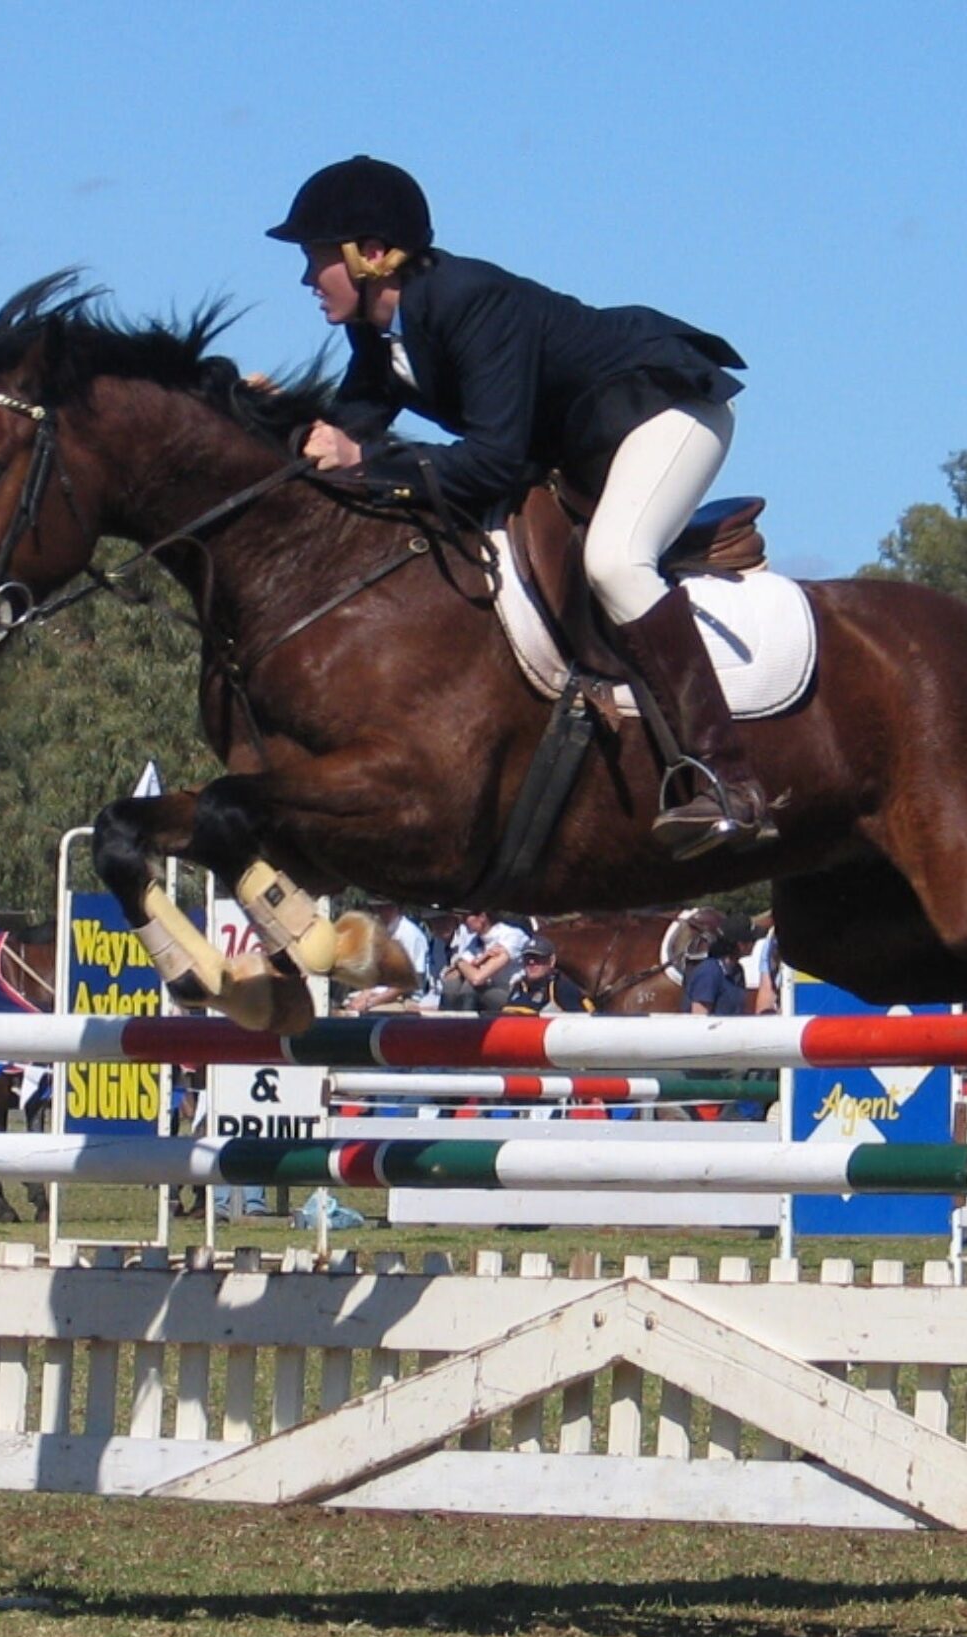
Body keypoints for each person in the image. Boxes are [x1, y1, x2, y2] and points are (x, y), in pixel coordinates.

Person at [267, 154, 775, 860]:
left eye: (314, 259)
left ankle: (729, 782)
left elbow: (493, 461)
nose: (304, 278)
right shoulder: (378, 333)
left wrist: (366, 460)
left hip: (660, 411)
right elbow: (346, 431)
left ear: (372, 255)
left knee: (615, 563)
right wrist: (270, 427)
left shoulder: (468, 300)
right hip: (588, 447)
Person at [338, 899, 437, 1015]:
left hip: (407, 999)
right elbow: (376, 975)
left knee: (367, 1014)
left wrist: (370, 1003)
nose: (378, 913)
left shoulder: (410, 935)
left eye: (384, 907)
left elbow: (407, 984)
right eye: (376, 908)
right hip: (380, 994)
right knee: (344, 1008)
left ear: (396, 908)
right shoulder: (381, 932)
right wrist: (363, 997)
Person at [437, 909, 530, 1015]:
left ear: (482, 917)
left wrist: (459, 961)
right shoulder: (475, 940)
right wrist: (472, 962)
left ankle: (464, 1026)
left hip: (512, 996)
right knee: (452, 983)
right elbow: (450, 975)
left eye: (465, 917)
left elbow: (477, 978)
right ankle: (443, 1024)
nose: (462, 921)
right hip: (490, 993)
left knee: (472, 986)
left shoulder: (512, 935)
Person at [500, 938, 591, 1014]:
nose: (531, 962)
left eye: (537, 958)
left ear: (551, 961)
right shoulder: (518, 986)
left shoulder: (560, 987)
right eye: (528, 958)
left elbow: (584, 1021)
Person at [685, 917, 752, 1016]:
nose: (754, 944)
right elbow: (699, 1018)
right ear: (740, 944)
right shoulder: (709, 972)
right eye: (752, 940)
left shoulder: (737, 970)